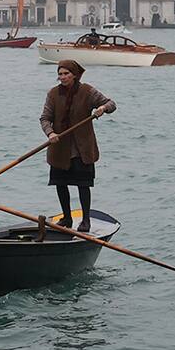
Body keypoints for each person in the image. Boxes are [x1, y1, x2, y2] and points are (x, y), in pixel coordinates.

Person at [40, 60, 116, 232]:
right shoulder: (53, 94)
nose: (63, 77)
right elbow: (45, 118)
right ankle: (66, 218)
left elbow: (112, 104)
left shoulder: (87, 91)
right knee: (60, 183)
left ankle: (86, 220)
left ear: (74, 75)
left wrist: (102, 108)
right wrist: (50, 133)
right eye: (60, 74)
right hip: (60, 147)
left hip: (82, 148)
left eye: (66, 73)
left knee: (83, 185)